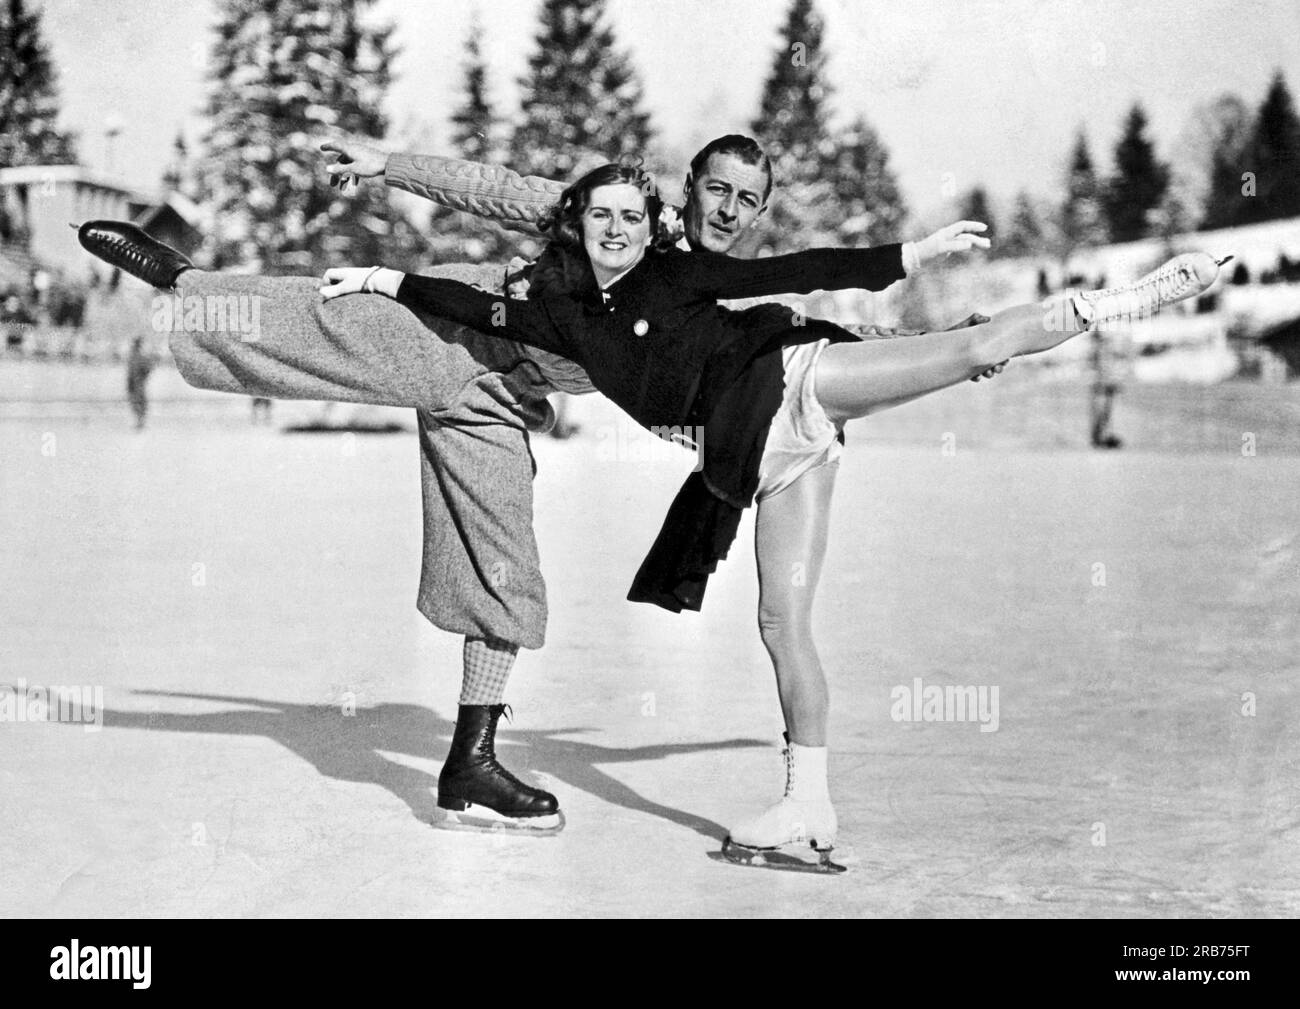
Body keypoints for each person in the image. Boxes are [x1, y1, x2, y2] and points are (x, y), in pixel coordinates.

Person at [318, 162, 1224, 868]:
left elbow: (800, 267)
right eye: (604, 216)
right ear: (579, 225)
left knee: (972, 349)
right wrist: (381, 280)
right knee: (781, 622)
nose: (621, 229)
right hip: (769, 458)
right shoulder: (556, 317)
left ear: (649, 229)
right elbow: (470, 303)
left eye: (635, 217)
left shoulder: (676, 277)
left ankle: (1122, 300)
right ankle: (808, 805)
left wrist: (910, 256)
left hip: (794, 385)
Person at [126, 335, 156, 430]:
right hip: (135, 382)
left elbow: (149, 367)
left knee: (138, 402)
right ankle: (139, 421)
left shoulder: (137, 357)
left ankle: (140, 421)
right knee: (136, 402)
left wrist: (143, 376)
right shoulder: (134, 356)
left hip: (137, 382)